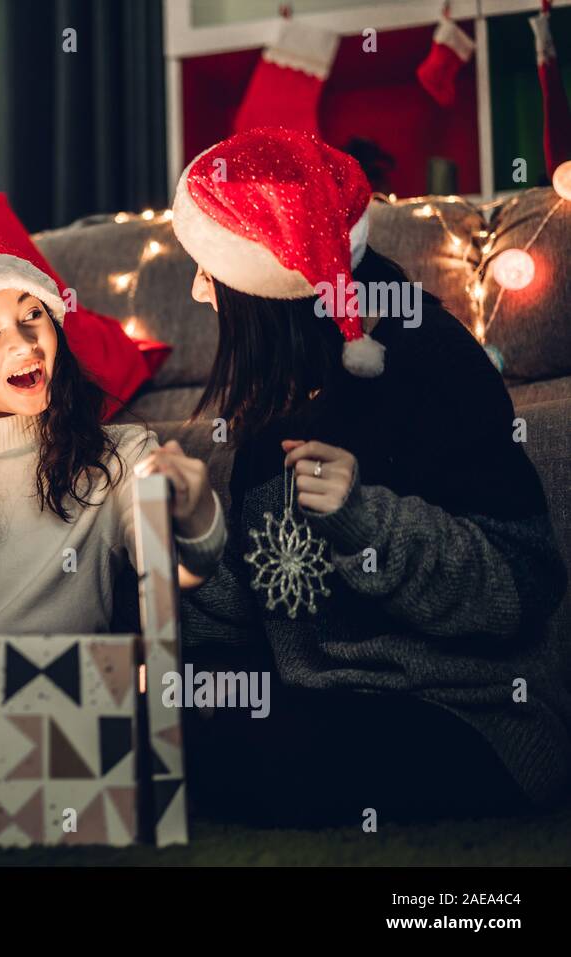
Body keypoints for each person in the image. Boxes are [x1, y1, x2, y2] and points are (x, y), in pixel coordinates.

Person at [170, 126, 570, 826]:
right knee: (175, 707)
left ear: (273, 285)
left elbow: (522, 586)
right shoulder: (279, 392)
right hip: (323, 693)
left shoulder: (432, 364)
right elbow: (269, 591)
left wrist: (368, 520)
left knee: (247, 753)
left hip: (463, 708)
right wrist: (196, 537)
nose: (200, 291)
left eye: (210, 268)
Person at [0, 237, 226, 638]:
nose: (23, 341)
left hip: (79, 688)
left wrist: (197, 516)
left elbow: (171, 575)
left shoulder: (122, 456)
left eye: (32, 313)